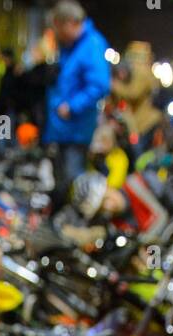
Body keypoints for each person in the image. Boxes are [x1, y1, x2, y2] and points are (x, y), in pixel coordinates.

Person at [44, 0, 111, 203]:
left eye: (58, 27)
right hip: (62, 130)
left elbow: (100, 85)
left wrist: (72, 107)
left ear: (70, 23)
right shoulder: (71, 47)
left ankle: (70, 229)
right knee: (60, 183)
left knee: (72, 185)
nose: (56, 33)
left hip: (76, 131)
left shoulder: (91, 44)